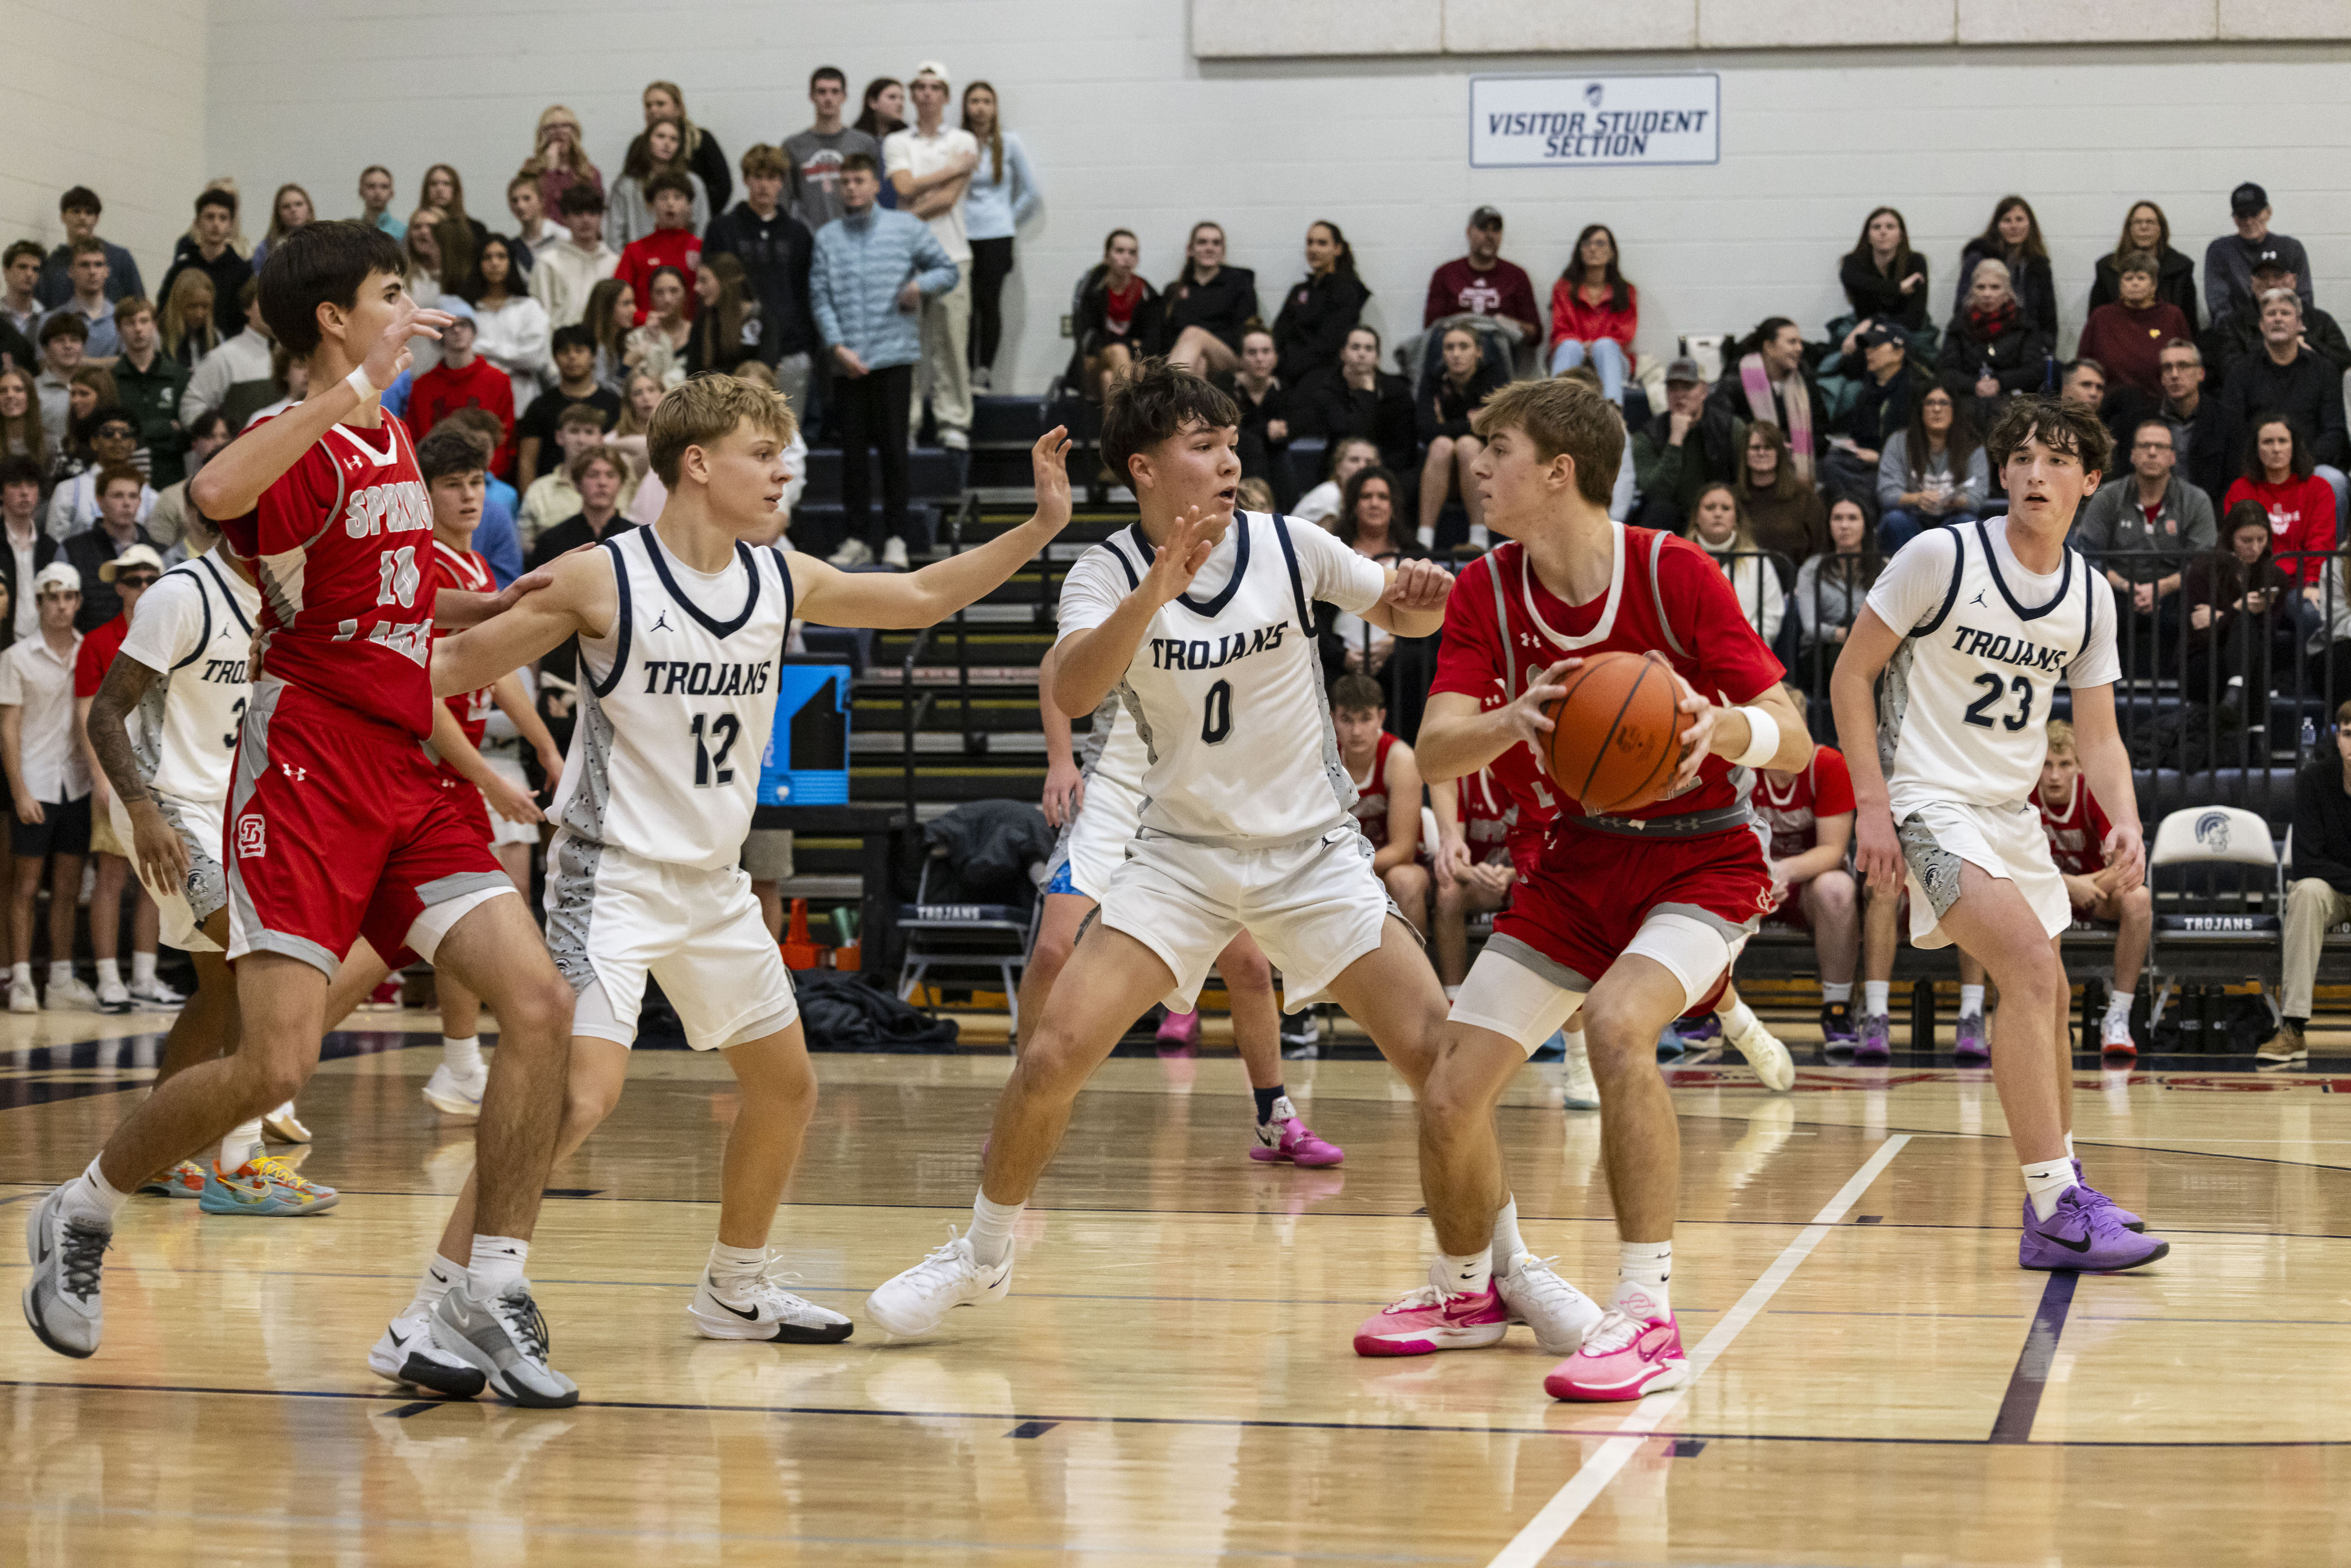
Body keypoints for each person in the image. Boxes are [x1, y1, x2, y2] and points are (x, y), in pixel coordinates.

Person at [378, 378, 1077, 1376]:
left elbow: (922, 594)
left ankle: (735, 1286)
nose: (784, 468)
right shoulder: (603, 578)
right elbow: (445, 668)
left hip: (710, 884)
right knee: (576, 1096)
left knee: (786, 1085)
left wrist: (1041, 525)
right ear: (698, 464)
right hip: (607, 877)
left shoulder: (778, 574)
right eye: (763, 450)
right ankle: (430, 1308)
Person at [16, 221, 582, 1398]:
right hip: (309, 767)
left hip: (403, 771)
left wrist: (515, 596)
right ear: (334, 318)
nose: (412, 309)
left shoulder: (380, 435)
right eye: (392, 292)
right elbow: (208, 495)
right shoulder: (307, 433)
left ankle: (488, 1282)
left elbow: (402, 581)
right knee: (274, 1060)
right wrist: (359, 389)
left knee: (538, 1002)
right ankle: (81, 1207)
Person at [861, 358, 1505, 1351]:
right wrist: (1155, 589)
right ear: (1144, 470)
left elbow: (1405, 612)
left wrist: (1420, 595)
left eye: (1230, 444)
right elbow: (1074, 691)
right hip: (1180, 858)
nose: (1226, 461)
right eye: (1201, 446)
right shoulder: (1103, 572)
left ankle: (1507, 1263)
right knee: (1052, 1053)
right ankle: (981, 1256)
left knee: (1439, 1060)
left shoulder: (1291, 545)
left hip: (1311, 851)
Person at [1404, 374, 1801, 1402]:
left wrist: (1720, 728)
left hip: (1705, 854)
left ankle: (1648, 1314)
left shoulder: (1673, 571)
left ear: (1558, 471)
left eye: (1497, 447)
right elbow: (1437, 747)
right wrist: (1513, 719)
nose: (1478, 464)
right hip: (1576, 859)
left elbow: (1794, 735)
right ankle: (1464, 1295)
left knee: (1619, 1025)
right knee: (1449, 1090)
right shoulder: (1486, 587)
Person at [1832, 393, 2163, 1271]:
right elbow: (1850, 675)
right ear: (2001, 472)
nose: (2034, 473)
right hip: (1926, 799)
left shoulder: (2089, 595)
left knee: (2046, 986)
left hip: (2008, 814)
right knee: (2024, 965)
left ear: (2090, 481)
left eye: (2057, 460)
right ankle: (2056, 1206)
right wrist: (1873, 803)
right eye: (2020, 457)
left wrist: (2124, 816)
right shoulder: (1942, 554)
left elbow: (2096, 735)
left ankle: (2060, 1192)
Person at [83, 503, 331, 1205]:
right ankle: (237, 1165)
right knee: (263, 968)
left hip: (233, 813)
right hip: (166, 808)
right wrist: (140, 810)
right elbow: (106, 712)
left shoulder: (284, 604)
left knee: (222, 987)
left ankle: (156, 1155)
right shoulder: (179, 594)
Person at [1029, 638, 1340, 1162]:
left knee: (1250, 966)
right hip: (1112, 791)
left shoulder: (1245, 597)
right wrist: (1060, 759)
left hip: (1191, 802)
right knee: (1052, 952)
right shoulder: (1123, 572)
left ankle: (1274, 1115)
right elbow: (1053, 662)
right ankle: (1024, 1112)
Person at [811, 154, 957, 569]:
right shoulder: (828, 238)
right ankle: (857, 536)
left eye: (859, 181)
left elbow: (948, 271)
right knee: (853, 456)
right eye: (846, 182)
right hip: (848, 361)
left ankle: (896, 536)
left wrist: (918, 285)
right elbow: (819, 297)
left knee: (895, 452)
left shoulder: (906, 228)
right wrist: (837, 347)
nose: (852, 188)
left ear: (876, 185)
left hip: (893, 358)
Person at [70, 542, 168, 1015]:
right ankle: (110, 980)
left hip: (165, 773)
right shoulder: (97, 642)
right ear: (118, 586)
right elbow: (88, 714)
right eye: (134, 580)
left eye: (152, 579)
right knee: (110, 876)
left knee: (155, 880)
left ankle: (146, 979)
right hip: (116, 774)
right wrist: (100, 778)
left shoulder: (172, 635)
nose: (144, 587)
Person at [1, 560, 96, 1014]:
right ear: (38, 603)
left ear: (78, 602)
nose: (61, 606)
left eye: (68, 597)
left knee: (68, 884)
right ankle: (21, 979)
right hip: (36, 784)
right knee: (24, 885)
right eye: (52, 597)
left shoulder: (89, 651)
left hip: (75, 785)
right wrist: (19, 790)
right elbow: (9, 729)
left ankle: (60, 979)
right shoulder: (16, 658)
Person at [2028, 719, 2151, 1056]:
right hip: (2042, 897)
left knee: (2139, 898)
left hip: (2096, 895)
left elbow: (2124, 864)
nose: (2054, 775)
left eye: (2065, 764)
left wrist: (2080, 885)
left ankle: (2118, 1018)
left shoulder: (2092, 793)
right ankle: (2041, 1019)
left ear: (2080, 766)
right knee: (2009, 896)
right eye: (2047, 765)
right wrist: (2066, 884)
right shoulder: (2023, 796)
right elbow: (2013, 867)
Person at [1750, 696, 1861, 1047]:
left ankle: (1837, 1008)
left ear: (1801, 728)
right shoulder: (1740, 769)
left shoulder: (1827, 765)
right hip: (1753, 879)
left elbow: (1833, 851)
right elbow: (1724, 842)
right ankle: (1703, 1012)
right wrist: (1758, 877)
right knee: (1712, 886)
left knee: (1838, 889)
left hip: (1807, 882)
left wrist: (1780, 870)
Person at [882, 61, 980, 452]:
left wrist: (905, 214)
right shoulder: (897, 142)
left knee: (952, 345)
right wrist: (949, 170)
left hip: (953, 255)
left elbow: (945, 200)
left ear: (945, 95)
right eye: (919, 87)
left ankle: (953, 421)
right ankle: (907, 423)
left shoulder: (963, 141)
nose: (926, 94)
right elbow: (903, 185)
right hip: (906, 259)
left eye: (934, 87)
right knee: (907, 347)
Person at [2075, 416, 2216, 674]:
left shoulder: (2196, 500)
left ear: (2173, 457)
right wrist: (2126, 586)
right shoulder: (2108, 497)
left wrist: (2161, 588)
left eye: (2161, 447)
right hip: (2115, 590)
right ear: (2132, 455)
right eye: (2145, 446)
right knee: (2095, 608)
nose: (2152, 452)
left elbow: (2203, 563)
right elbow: (2087, 556)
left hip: (2175, 593)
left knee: (2196, 610)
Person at [2218, 290, 2350, 524]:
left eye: (2285, 313)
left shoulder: (2325, 370)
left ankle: (2327, 561)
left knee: (2335, 481)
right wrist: (2267, 462)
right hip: (2258, 467)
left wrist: (2299, 462)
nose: (2278, 318)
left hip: (2310, 467)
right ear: (2261, 325)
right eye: (2270, 314)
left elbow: (2335, 430)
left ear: (2300, 325)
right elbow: (2232, 427)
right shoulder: (2241, 371)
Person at [2268, 696, 2351, 1065]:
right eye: (2349, 734)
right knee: (2304, 893)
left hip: (2336, 876)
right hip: (2331, 892)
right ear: (2337, 737)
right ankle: (2294, 1029)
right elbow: (2305, 864)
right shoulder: (2314, 782)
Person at [703, 145, 817, 413]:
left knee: (787, 436)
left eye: (772, 178)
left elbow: (806, 293)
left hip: (790, 349)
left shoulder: (798, 234)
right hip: (734, 351)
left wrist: (807, 347)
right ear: (746, 179)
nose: (764, 185)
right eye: (758, 177)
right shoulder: (722, 229)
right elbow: (712, 289)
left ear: (782, 182)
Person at [2221, 415, 2339, 656]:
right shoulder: (2241, 490)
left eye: (2283, 441)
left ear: (2294, 446)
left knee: (2311, 614)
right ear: (2257, 448)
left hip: (2299, 586)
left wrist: (2314, 583)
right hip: (2255, 583)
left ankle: (2307, 686)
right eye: (2267, 442)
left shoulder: (2318, 488)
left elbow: (2320, 541)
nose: (2275, 449)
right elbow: (2235, 544)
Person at [1329, 672, 1430, 933]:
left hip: (1393, 867)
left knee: (1404, 881)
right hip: (1342, 869)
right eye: (1347, 720)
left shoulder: (1400, 759)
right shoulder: (1323, 762)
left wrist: (1346, 870)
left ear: (1381, 717)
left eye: (1366, 719)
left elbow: (1403, 850)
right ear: (1332, 720)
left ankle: (1415, 971)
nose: (1356, 731)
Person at [958, 80, 1040, 392]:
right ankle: (964, 371)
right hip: (963, 237)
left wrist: (1006, 220)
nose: (980, 107)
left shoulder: (1010, 143)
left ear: (995, 107)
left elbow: (1031, 193)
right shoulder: (957, 143)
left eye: (987, 101)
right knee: (964, 306)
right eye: (974, 101)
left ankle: (983, 372)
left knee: (988, 303)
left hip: (997, 237)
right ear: (966, 107)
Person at [2196, 502, 2295, 726]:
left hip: (2250, 658)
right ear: (2230, 537)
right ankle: (2258, 738)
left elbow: (2266, 633)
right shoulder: (2205, 569)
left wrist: (2223, 616)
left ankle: (2236, 688)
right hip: (2208, 657)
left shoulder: (2275, 577)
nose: (2255, 548)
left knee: (2251, 642)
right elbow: (2199, 635)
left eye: (2261, 540)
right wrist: (2237, 609)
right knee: (2248, 635)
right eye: (2247, 541)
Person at [1417, 325, 1507, 548]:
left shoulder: (1495, 376)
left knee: (1467, 445)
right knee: (1441, 445)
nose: (1456, 354)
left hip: (1485, 464)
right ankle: (1423, 541)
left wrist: (1446, 425)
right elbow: (1425, 431)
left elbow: (1496, 429)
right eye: (1449, 347)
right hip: (1442, 466)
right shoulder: (1433, 379)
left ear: (1479, 352)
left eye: (1464, 347)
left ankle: (1478, 539)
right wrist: (1471, 423)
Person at [1629, 355, 1739, 537]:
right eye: (1673, 388)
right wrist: (1675, 440)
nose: (1680, 394)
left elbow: (1741, 483)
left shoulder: (1729, 427)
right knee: (1659, 510)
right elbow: (1656, 494)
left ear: (1704, 392)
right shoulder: (1647, 435)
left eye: (1688, 387)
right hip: (1671, 522)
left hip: (1718, 515)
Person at [404, 300, 515, 474]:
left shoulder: (498, 381)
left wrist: (487, 478)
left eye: (463, 324)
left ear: (475, 332)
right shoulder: (422, 387)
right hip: (435, 479)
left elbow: (505, 439)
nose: (457, 330)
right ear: (439, 334)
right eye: (449, 326)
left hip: (486, 478)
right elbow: (414, 440)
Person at [1829, 320, 1933, 505]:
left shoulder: (1918, 392)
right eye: (1867, 347)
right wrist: (1853, 444)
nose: (1868, 351)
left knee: (1857, 486)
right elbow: (1859, 433)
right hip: (1866, 460)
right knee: (1829, 464)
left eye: (1876, 346)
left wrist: (1881, 458)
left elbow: (1925, 445)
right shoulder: (1868, 390)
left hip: (1903, 469)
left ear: (1899, 353)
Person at [1714, 316, 1826, 485]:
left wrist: (1794, 448)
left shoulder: (1805, 383)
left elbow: (1821, 432)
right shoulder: (1735, 383)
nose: (1800, 349)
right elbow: (1723, 436)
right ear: (1769, 348)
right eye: (1792, 342)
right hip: (1747, 474)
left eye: (1800, 343)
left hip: (1797, 472)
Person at [1294, 325, 1415, 479]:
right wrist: (1366, 393)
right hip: (1340, 469)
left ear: (1377, 356)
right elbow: (1350, 434)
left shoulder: (1396, 390)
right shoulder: (1328, 389)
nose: (1362, 354)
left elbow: (1405, 447)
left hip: (1387, 469)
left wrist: (1376, 468)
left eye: (1369, 349)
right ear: (1343, 353)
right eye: (1355, 348)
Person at [1876, 385, 1987, 551]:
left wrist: (1951, 501)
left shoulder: (1972, 446)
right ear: (1921, 410)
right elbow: (1887, 494)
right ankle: (1908, 574)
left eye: (1944, 403)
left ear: (1954, 409)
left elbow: (1976, 499)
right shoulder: (1898, 442)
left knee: (1968, 522)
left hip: (1953, 517)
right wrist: (1918, 498)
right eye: (1930, 403)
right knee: (1894, 519)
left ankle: (1957, 576)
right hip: (1911, 517)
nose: (1936, 409)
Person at [1938, 258, 2049, 421]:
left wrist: (2000, 383)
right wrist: (1974, 385)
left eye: (1995, 287)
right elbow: (1946, 371)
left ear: (2007, 292)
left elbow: (2035, 370)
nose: (1987, 294)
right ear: (1972, 291)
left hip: (2013, 403)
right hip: (1967, 402)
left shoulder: (2024, 324)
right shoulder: (1959, 325)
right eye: (1981, 287)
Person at [2211, 259, 2351, 385]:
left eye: (2278, 276)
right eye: (2263, 277)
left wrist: (2307, 342)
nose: (2271, 283)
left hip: (2313, 397)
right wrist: (2283, 347)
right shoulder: (2232, 324)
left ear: (2293, 280)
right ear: (2253, 284)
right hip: (2257, 401)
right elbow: (2229, 371)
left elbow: (2345, 362)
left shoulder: (2321, 320)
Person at [2076, 251, 2190, 403]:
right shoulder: (2101, 317)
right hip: (2110, 405)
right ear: (2120, 284)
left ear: (2154, 285)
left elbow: (2187, 364)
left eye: (2141, 278)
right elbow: (2083, 364)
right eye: (2128, 278)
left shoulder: (2173, 316)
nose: (2134, 283)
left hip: (2160, 404)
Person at [514, 330, 620, 491]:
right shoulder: (540, 406)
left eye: (579, 350)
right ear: (555, 358)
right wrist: (531, 499)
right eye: (564, 351)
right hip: (552, 493)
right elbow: (527, 461)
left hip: (603, 490)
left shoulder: (613, 403)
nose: (572, 357)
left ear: (593, 357)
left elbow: (620, 455)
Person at [1424, 207, 1541, 351]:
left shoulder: (1516, 276)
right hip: (1456, 353)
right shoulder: (1446, 274)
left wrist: (1511, 325)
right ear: (1469, 232)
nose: (1490, 236)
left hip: (1499, 352)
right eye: (1483, 229)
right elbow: (1430, 329)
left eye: (1496, 230)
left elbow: (1536, 336)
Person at [462, 236, 551, 422]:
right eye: (488, 257)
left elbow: (535, 358)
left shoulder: (529, 307)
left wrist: (482, 349)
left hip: (524, 402)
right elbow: (462, 355)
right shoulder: (467, 310)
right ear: (479, 263)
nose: (494, 263)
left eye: (501, 256)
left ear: (511, 262)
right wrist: (514, 360)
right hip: (477, 401)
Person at [1154, 222, 1258, 379]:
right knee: (1199, 364)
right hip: (1185, 357)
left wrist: (1203, 341)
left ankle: (1166, 393)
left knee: (1193, 333)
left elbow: (1245, 331)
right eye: (1202, 242)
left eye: (1216, 243)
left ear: (1223, 251)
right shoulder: (1175, 289)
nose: (1209, 248)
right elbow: (1163, 334)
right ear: (1190, 250)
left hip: (1229, 355)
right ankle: (1178, 400)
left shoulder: (1239, 284)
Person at [1271, 221, 1369, 387]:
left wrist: (1290, 369)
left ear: (1338, 249)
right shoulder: (1299, 291)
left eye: (1322, 243)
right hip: (1286, 372)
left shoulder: (1348, 291)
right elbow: (1278, 334)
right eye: (1310, 243)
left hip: (1323, 377)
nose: (1314, 249)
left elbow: (1328, 345)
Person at [61, 466, 160, 629]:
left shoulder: (158, 552)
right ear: (100, 502)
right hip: (92, 644)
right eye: (118, 496)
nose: (127, 503)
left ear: (140, 502)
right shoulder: (73, 550)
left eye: (133, 496)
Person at [1792, 497, 1876, 686]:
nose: (1844, 525)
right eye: (1837, 518)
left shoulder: (1882, 566)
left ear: (1866, 525)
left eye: (1852, 518)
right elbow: (1810, 626)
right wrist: (1841, 634)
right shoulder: (1814, 567)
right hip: (1821, 651)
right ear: (1829, 526)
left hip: (1870, 644)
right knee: (1841, 654)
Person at [106, 298, 190, 489]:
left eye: (144, 321)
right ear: (119, 329)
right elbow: (112, 435)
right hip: (122, 477)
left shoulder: (179, 377)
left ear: (154, 325)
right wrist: (166, 426)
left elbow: (186, 435)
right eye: (130, 323)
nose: (138, 329)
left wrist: (134, 432)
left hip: (172, 476)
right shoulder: (110, 380)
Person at [1545, 225, 1636, 399]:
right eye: (1586, 244)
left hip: (1612, 359)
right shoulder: (1563, 289)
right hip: (1574, 354)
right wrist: (1582, 346)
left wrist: (1594, 347)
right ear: (1580, 251)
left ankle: (1613, 415)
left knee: (1606, 346)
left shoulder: (1626, 291)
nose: (1593, 248)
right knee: (1570, 346)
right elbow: (1560, 330)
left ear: (1612, 253)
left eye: (1600, 243)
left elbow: (1624, 335)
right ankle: (1556, 414)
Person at [2205, 182, 2312, 328]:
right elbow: (2219, 306)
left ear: (2268, 212)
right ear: (2235, 219)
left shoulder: (2291, 248)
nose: (2249, 221)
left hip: (2286, 332)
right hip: (2239, 334)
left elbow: (2304, 300)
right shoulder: (2220, 250)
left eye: (2255, 213)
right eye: (2242, 215)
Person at [786, 67, 880, 231]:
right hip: (810, 238)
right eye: (822, 92)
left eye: (835, 92)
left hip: (856, 234)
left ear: (844, 97)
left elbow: (874, 196)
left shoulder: (864, 144)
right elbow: (785, 201)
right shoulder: (793, 146)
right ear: (812, 97)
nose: (828, 98)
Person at [1688, 481, 1784, 642]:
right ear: (1696, 517)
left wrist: (1739, 642)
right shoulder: (1679, 558)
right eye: (1710, 508)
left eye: (1726, 508)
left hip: (1745, 652)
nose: (1718, 514)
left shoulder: (1757, 561)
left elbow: (1771, 615)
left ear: (1736, 518)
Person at [1070, 229, 1156, 407]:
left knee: (1109, 378)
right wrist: (1129, 344)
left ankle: (1115, 435)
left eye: (1132, 252)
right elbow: (1085, 336)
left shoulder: (1146, 291)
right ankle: (1136, 429)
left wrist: (1129, 346)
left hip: (1130, 364)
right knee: (1118, 351)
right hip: (1093, 361)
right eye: (1120, 251)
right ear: (1106, 256)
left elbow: (1154, 340)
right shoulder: (1092, 288)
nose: (1127, 258)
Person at [1953, 196, 2056, 341]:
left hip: (2028, 343)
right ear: (1997, 226)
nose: (2014, 226)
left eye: (2019, 220)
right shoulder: (1978, 259)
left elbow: (2048, 318)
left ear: (2030, 224)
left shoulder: (2039, 265)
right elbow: (1962, 306)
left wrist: (2046, 349)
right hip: (1983, 339)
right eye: (2007, 220)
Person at [1733, 420, 1825, 580]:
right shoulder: (1731, 498)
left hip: (1794, 584)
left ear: (1779, 453)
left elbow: (1820, 547)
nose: (1762, 453)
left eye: (1769, 447)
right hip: (1741, 582)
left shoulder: (1805, 497)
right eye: (1755, 448)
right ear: (1745, 454)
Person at [158, 188, 253, 340]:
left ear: (230, 225)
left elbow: (247, 319)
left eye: (223, 218)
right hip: (184, 349)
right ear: (197, 222)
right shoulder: (181, 269)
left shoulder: (244, 272)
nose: (216, 224)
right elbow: (164, 313)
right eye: (210, 217)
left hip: (228, 350)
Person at [614, 173, 705, 327]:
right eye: (663, 198)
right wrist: (647, 322)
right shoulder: (635, 251)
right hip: (646, 335)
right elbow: (617, 301)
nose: (670, 203)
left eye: (678, 197)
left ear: (689, 206)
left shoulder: (701, 249)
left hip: (691, 338)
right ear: (651, 206)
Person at [47, 414, 155, 540]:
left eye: (125, 434)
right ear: (94, 443)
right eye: (108, 433)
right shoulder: (67, 490)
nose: (117, 438)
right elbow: (55, 545)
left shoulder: (150, 496)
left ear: (133, 446)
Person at [609, 121, 711, 253]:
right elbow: (614, 235)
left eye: (674, 139)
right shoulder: (627, 186)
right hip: (637, 265)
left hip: (683, 264)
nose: (667, 143)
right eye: (661, 137)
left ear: (680, 146)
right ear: (647, 141)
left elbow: (702, 227)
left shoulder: (693, 183)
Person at [529, 185, 619, 332]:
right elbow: (539, 315)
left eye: (592, 213)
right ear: (565, 219)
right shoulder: (548, 263)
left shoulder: (615, 262)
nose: (586, 220)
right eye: (578, 213)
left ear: (601, 217)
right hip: (563, 347)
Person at [36, 188, 143, 310]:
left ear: (97, 219)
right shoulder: (51, 265)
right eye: (76, 211)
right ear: (63, 217)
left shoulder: (120, 258)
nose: (82, 217)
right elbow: (41, 309)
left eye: (89, 212)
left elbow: (138, 304)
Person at [640, 79, 729, 213]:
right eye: (648, 105)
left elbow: (722, 186)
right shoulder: (639, 146)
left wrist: (694, 214)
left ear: (678, 108)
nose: (653, 110)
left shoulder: (700, 140)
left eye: (660, 104)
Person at [1840, 206, 1930, 337]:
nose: (1883, 232)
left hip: (1905, 331)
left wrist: (1873, 323)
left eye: (1890, 227)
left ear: (1901, 236)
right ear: (1868, 237)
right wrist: (1898, 288)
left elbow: (1915, 319)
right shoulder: (1853, 262)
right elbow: (1854, 279)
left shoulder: (1915, 262)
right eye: (1876, 227)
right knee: (1836, 356)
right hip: (1864, 329)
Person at [2159, 338, 2230, 502]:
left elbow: (2233, 483)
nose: (2175, 375)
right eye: (2168, 368)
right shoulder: (2149, 422)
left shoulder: (2226, 421)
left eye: (2183, 366)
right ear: (2162, 378)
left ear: (2201, 374)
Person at [0, 457, 56, 637]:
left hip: (43, 640)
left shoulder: (50, 546)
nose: (25, 492)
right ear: (2, 493)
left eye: (31, 485)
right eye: (15, 485)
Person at [41, 240, 119, 359]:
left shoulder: (123, 319)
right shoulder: (49, 320)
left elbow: (130, 364)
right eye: (84, 265)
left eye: (98, 265)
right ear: (71, 272)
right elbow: (45, 365)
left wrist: (73, 362)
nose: (92, 272)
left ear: (106, 272)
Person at [519, 106, 602, 218]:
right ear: (544, 133)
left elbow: (596, 214)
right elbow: (537, 211)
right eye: (552, 127)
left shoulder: (588, 172)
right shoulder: (531, 170)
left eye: (565, 126)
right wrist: (550, 170)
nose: (559, 131)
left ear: (574, 131)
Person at [685, 255, 760, 379]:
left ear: (725, 281)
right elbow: (692, 376)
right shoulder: (702, 322)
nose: (696, 288)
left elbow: (766, 371)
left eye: (703, 280)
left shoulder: (758, 317)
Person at [1292, 436, 1377, 528]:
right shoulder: (1329, 495)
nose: (1362, 466)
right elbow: (1323, 542)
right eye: (1354, 460)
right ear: (1338, 467)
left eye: (1369, 462)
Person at [160, 269, 221, 371]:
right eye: (192, 306)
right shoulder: (160, 337)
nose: (199, 314)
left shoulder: (216, 337)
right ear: (178, 305)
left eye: (205, 306)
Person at [248, 184, 314, 274]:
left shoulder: (322, 244)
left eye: (299, 204)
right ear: (278, 213)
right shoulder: (265, 248)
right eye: (286, 207)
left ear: (309, 209)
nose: (293, 210)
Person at [506, 176, 561, 264]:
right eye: (515, 200)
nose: (520, 206)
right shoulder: (513, 247)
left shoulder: (561, 237)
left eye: (527, 198)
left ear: (541, 201)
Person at [855, 77, 907, 146]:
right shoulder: (857, 138)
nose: (900, 103)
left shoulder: (908, 135)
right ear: (873, 103)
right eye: (892, 97)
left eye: (902, 98)